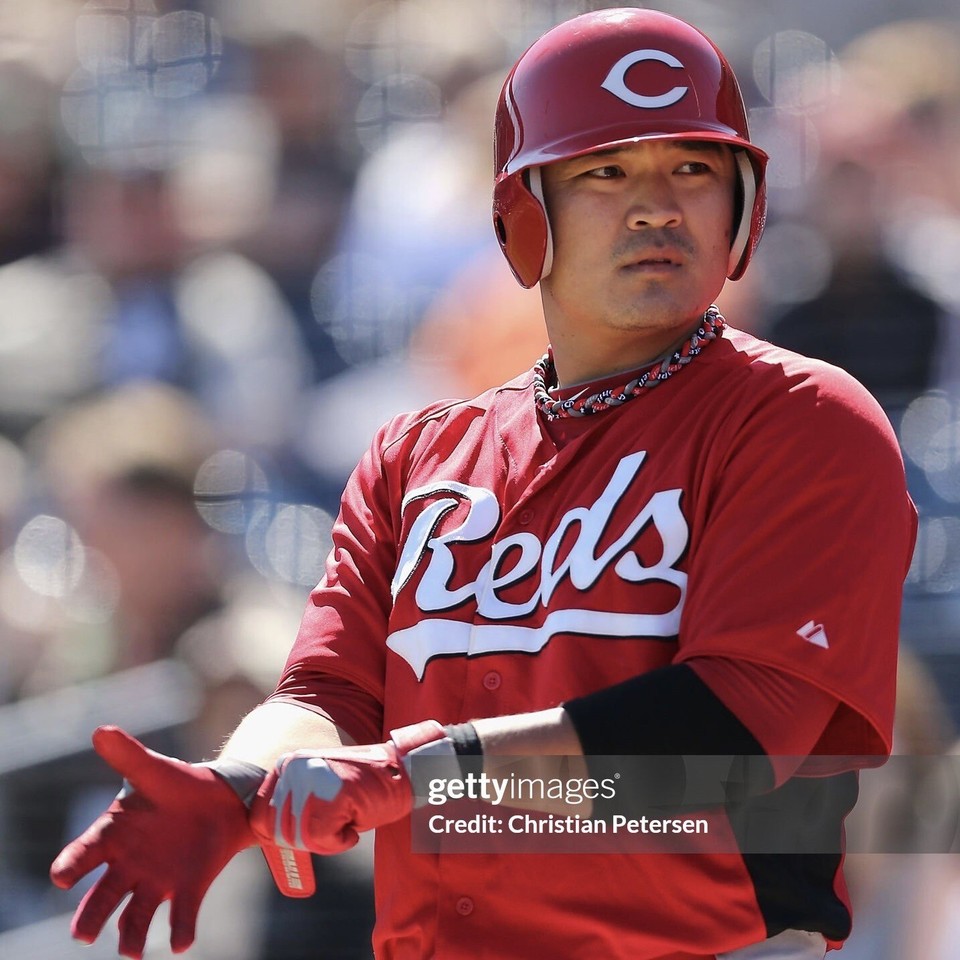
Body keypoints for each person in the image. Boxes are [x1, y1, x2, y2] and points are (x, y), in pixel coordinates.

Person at [49, 10, 917, 960]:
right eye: (605, 171)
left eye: (694, 169)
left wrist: (423, 775)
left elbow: (731, 744)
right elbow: (331, 693)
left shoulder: (802, 419)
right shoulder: (418, 456)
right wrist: (244, 783)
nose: (657, 207)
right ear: (523, 212)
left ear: (743, 205)